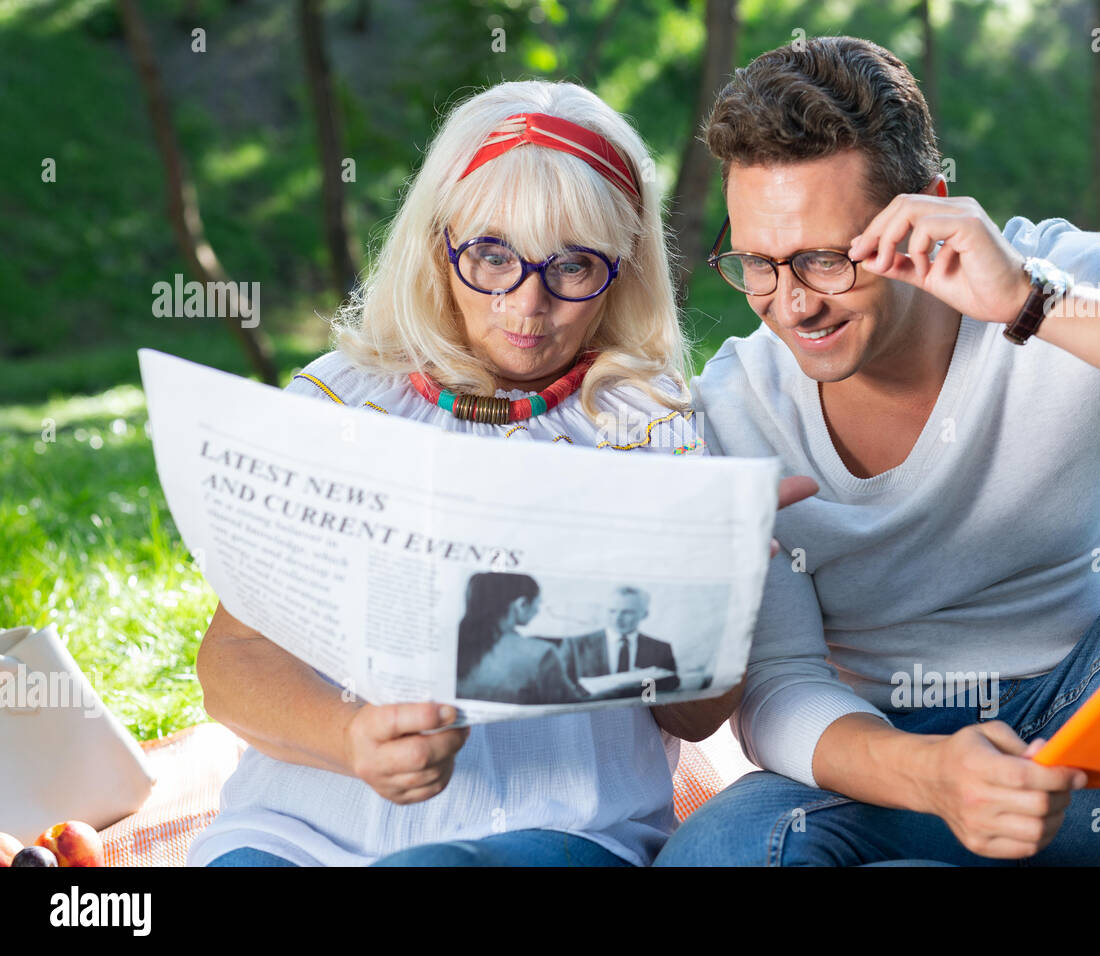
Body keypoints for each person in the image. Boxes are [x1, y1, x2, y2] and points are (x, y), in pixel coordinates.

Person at [655, 36, 1100, 867]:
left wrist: (1032, 302)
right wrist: (933, 776)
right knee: (723, 849)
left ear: (927, 208)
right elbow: (779, 684)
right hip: (891, 773)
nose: (793, 305)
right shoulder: (738, 408)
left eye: (825, 259)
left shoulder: (1072, 279)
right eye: (759, 264)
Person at [187, 79, 754, 868]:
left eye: (575, 267)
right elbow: (231, 664)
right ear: (435, 244)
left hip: (555, 824)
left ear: (622, 272)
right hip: (302, 826)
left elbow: (695, 722)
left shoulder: (647, 428)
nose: (528, 305)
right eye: (492, 256)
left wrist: (718, 591)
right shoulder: (340, 402)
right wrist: (351, 738)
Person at [456, 573, 590, 705]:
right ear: (522, 605)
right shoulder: (541, 654)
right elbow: (573, 708)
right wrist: (611, 691)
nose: (538, 610)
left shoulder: (455, 646)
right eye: (538, 603)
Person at [547, 586, 680, 695]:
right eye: (612, 611)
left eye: (627, 612)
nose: (617, 618)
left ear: (644, 614)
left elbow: (664, 689)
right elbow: (559, 689)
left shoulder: (661, 649)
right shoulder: (574, 645)